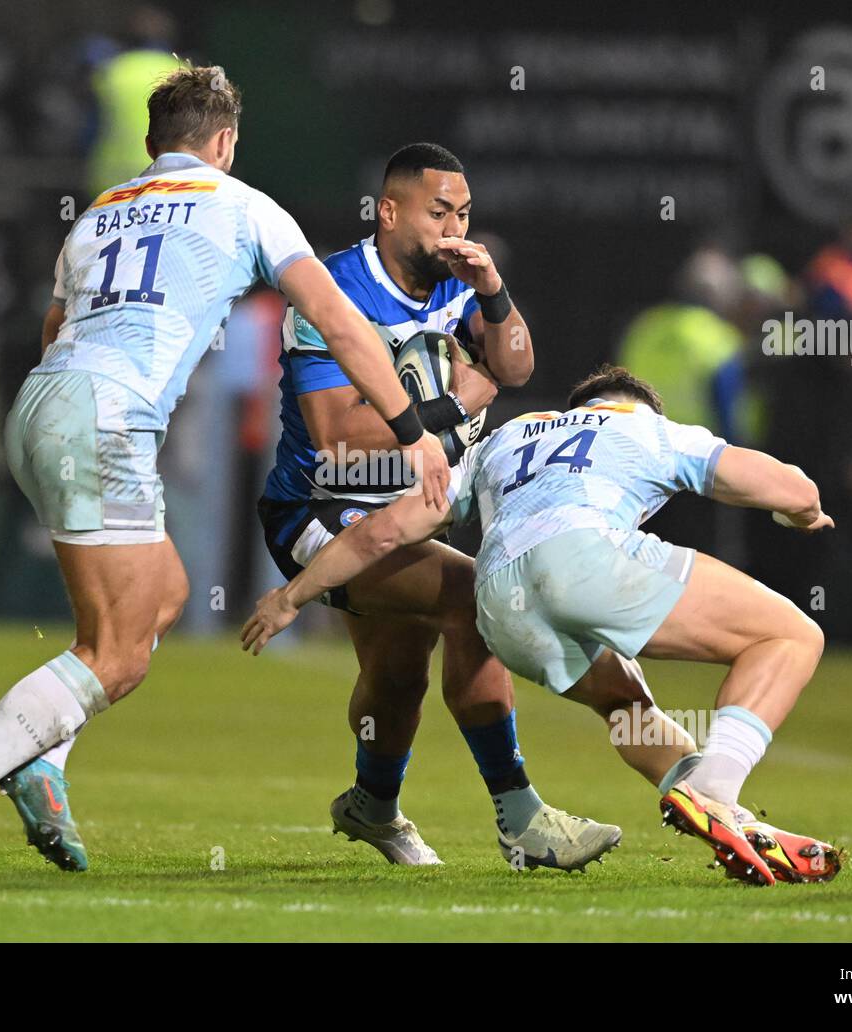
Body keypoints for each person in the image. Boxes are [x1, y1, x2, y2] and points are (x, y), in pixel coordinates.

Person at [0, 65, 451, 874]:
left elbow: (54, 329)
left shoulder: (99, 212)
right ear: (224, 143)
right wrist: (414, 430)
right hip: (106, 421)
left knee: (165, 594)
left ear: (151, 146)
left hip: (45, 405)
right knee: (118, 655)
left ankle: (43, 760)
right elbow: (340, 324)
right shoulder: (244, 204)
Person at [244, 365, 842, 885]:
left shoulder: (502, 440)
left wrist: (291, 596)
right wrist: (804, 513)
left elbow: (384, 530)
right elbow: (790, 487)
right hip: (582, 557)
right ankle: (717, 789)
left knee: (626, 706)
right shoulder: (646, 428)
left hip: (499, 602)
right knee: (791, 636)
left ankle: (726, 817)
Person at [255, 143, 621, 870]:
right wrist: (453, 407)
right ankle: (522, 819)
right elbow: (338, 440)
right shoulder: (333, 290)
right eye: (438, 212)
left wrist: (493, 290)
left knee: (398, 669)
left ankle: (372, 805)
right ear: (389, 212)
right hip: (322, 509)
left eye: (464, 213)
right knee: (470, 597)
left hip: (410, 508)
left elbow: (515, 367)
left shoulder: (458, 282)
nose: (455, 228)